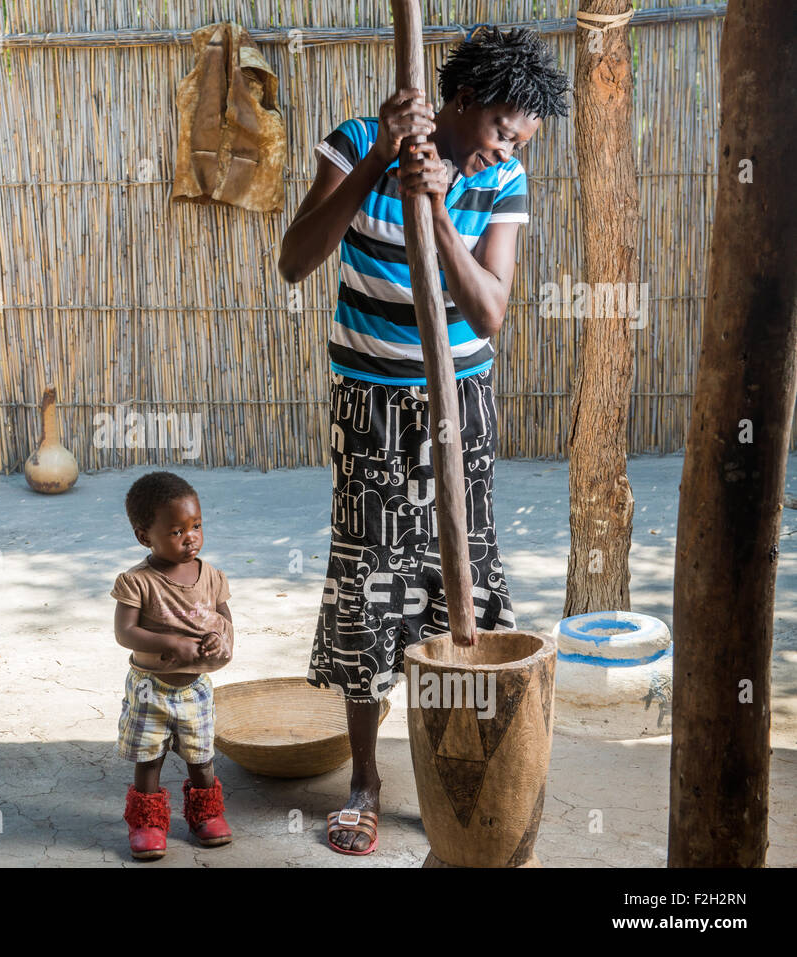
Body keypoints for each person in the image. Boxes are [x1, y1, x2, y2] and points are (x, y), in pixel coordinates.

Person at [277, 27, 569, 856]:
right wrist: (383, 169)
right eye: (500, 129)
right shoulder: (360, 141)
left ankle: (464, 771)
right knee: (371, 586)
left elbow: (489, 311)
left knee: (460, 579)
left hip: (460, 404)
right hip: (370, 405)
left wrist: (437, 206)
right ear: (464, 100)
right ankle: (365, 780)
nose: (505, 149)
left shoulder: (501, 179)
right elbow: (296, 260)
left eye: (518, 141)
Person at [111, 472, 235, 861]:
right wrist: (171, 643)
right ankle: (147, 821)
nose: (191, 537)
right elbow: (125, 632)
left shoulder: (211, 576)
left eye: (196, 526)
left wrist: (219, 639)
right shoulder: (137, 582)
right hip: (150, 686)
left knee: (201, 756)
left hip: (194, 687)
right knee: (150, 757)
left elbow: (225, 620)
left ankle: (205, 814)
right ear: (144, 536)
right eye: (177, 531)